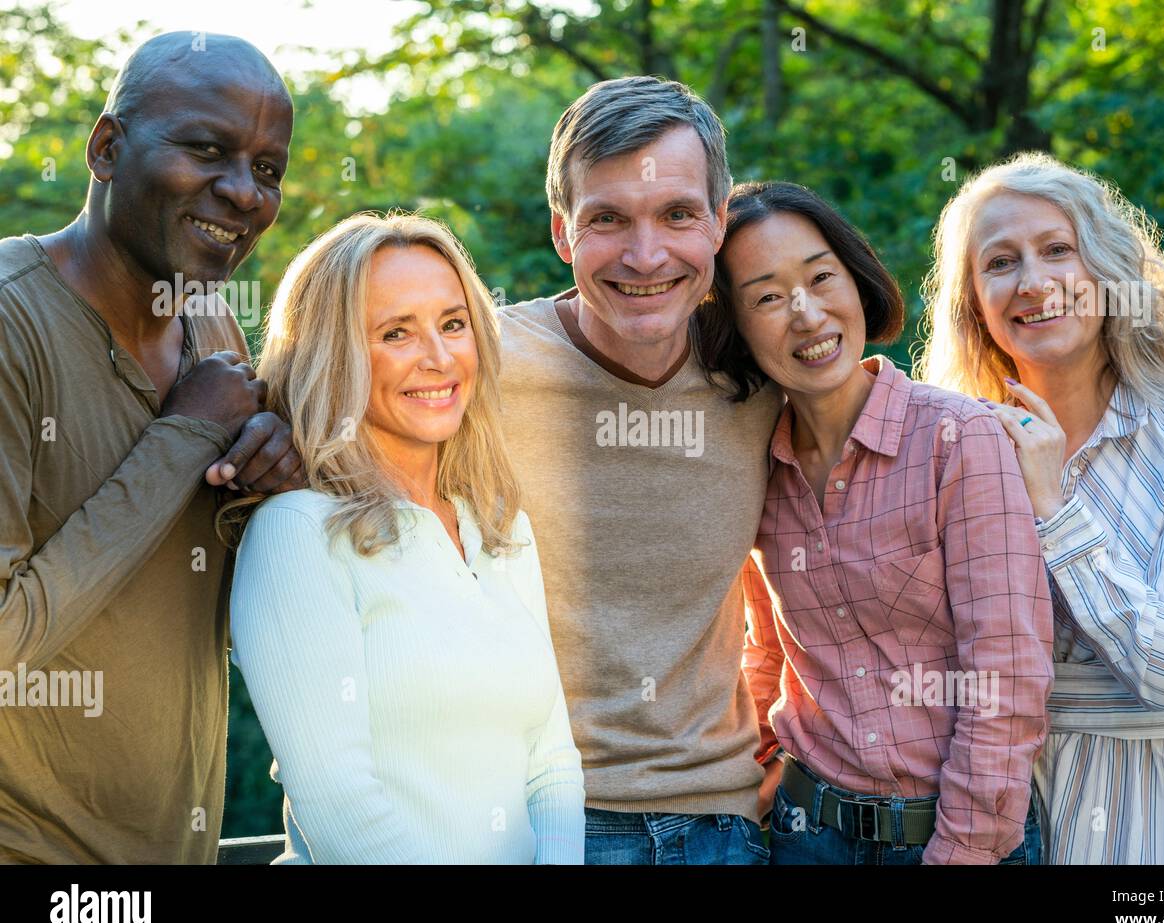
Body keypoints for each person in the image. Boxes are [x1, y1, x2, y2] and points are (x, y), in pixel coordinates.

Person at [0, 32, 300, 864]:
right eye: (206, 149)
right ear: (106, 149)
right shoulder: (10, 325)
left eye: (268, 169)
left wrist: (272, 487)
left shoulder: (210, 325)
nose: (243, 193)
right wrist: (184, 438)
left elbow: (208, 614)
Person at [694, 181, 1055, 864]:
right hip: (810, 836)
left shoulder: (959, 439)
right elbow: (768, 649)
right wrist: (760, 776)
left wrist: (963, 850)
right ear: (735, 326)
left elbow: (1006, 673)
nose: (805, 314)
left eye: (821, 277)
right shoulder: (754, 465)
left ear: (857, 283)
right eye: (768, 297)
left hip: (950, 838)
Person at [917, 152, 1164, 864]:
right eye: (1000, 263)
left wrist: (1052, 504)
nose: (1034, 283)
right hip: (1000, 801)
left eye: (1056, 250)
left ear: (1104, 269)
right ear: (975, 303)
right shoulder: (959, 448)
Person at [228, 212, 585, 864]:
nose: (440, 357)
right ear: (334, 356)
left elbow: (551, 760)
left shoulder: (502, 528)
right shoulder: (298, 533)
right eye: (396, 333)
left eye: (453, 324)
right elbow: (339, 803)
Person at [495, 76, 784, 864]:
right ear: (562, 232)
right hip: (539, 823)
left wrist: (799, 742)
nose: (646, 254)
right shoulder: (473, 367)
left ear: (720, 223)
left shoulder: (762, 375)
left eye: (678, 215)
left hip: (726, 828)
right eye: (608, 220)